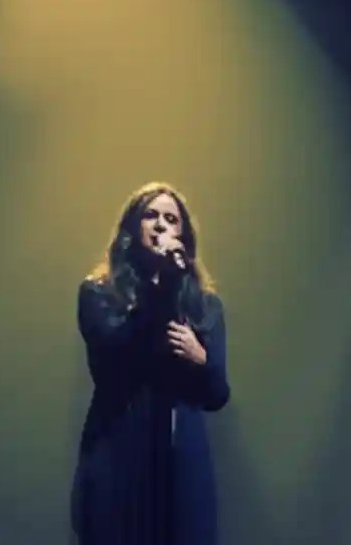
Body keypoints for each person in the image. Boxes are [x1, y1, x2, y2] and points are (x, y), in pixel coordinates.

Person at [71, 182, 231, 545]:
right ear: (132, 229)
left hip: (180, 460)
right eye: (151, 215)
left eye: (171, 219)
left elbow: (217, 394)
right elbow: (112, 361)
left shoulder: (205, 307)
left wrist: (201, 358)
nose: (160, 225)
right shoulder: (99, 293)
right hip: (118, 450)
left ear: (183, 237)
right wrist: (160, 290)